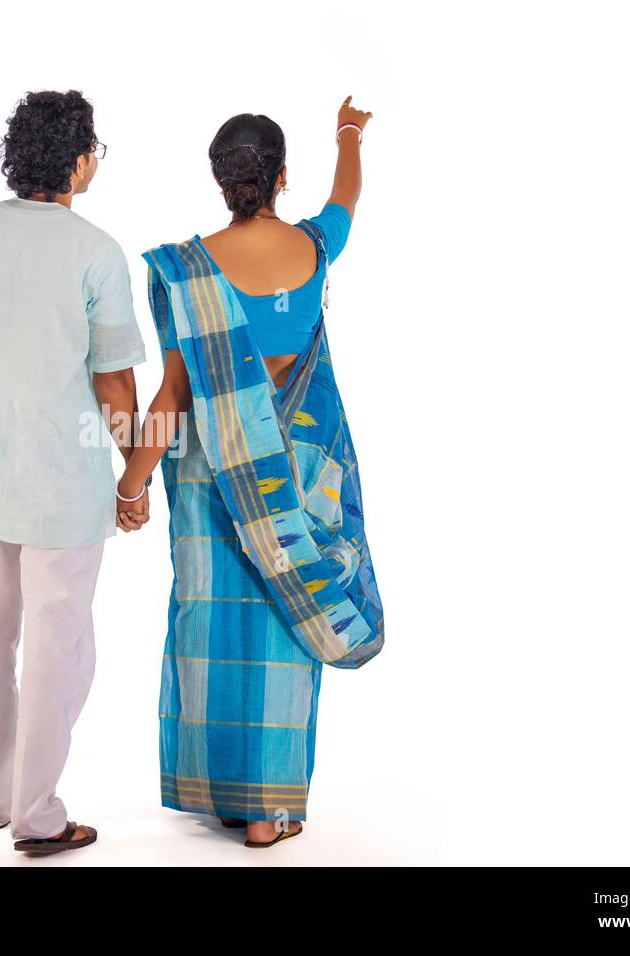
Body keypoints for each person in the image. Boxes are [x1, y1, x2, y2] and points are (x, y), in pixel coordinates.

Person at [114, 96, 385, 848]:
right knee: (284, 617)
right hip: (295, 472)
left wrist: (130, 485)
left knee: (212, 616)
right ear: (280, 177)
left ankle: (225, 794)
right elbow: (347, 198)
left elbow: (170, 399)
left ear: (219, 181)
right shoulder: (315, 247)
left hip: (210, 475)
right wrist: (350, 132)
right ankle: (269, 809)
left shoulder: (189, 271)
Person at [0, 90, 147, 855]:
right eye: (95, 150)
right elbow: (115, 384)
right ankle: (38, 815)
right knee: (59, 647)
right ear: (78, 160)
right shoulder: (95, 252)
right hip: (62, 493)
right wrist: (134, 478)